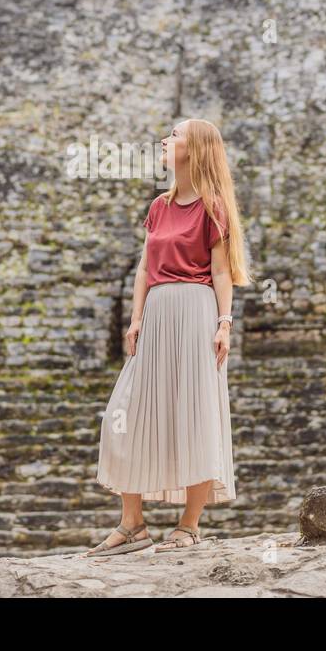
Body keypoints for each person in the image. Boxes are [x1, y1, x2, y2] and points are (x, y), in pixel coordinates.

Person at [87, 117, 252, 555]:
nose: (165, 139)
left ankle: (189, 525)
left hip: (197, 314)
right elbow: (144, 267)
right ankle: (132, 525)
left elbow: (221, 271)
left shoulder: (213, 206)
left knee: (196, 414)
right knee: (122, 415)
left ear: (195, 148)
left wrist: (224, 323)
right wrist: (136, 318)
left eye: (175, 135)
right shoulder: (159, 206)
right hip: (157, 315)